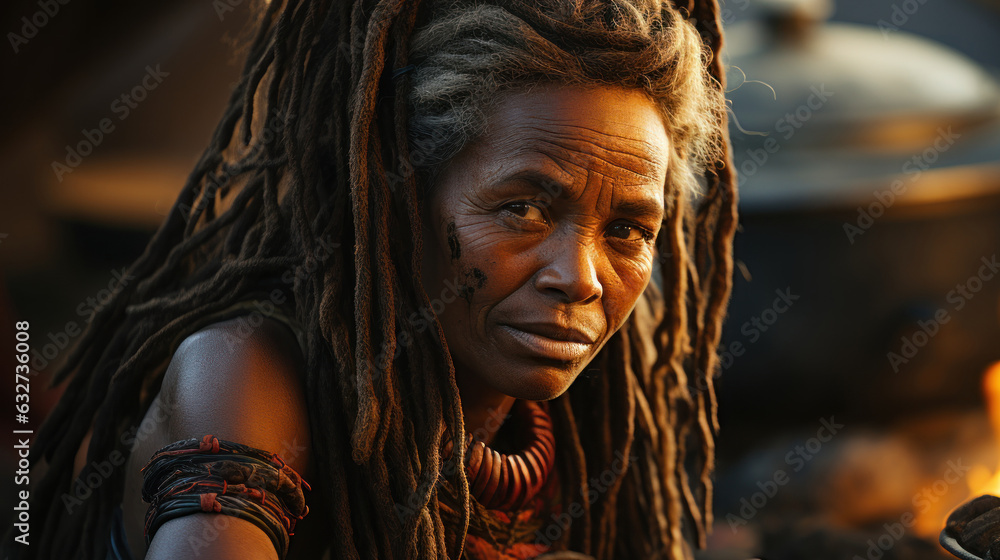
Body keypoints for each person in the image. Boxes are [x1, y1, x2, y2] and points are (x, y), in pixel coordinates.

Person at [5, 0, 737, 558]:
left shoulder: (586, 419)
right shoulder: (244, 375)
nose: (580, 279)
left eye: (627, 232)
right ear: (395, 199)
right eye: (522, 209)